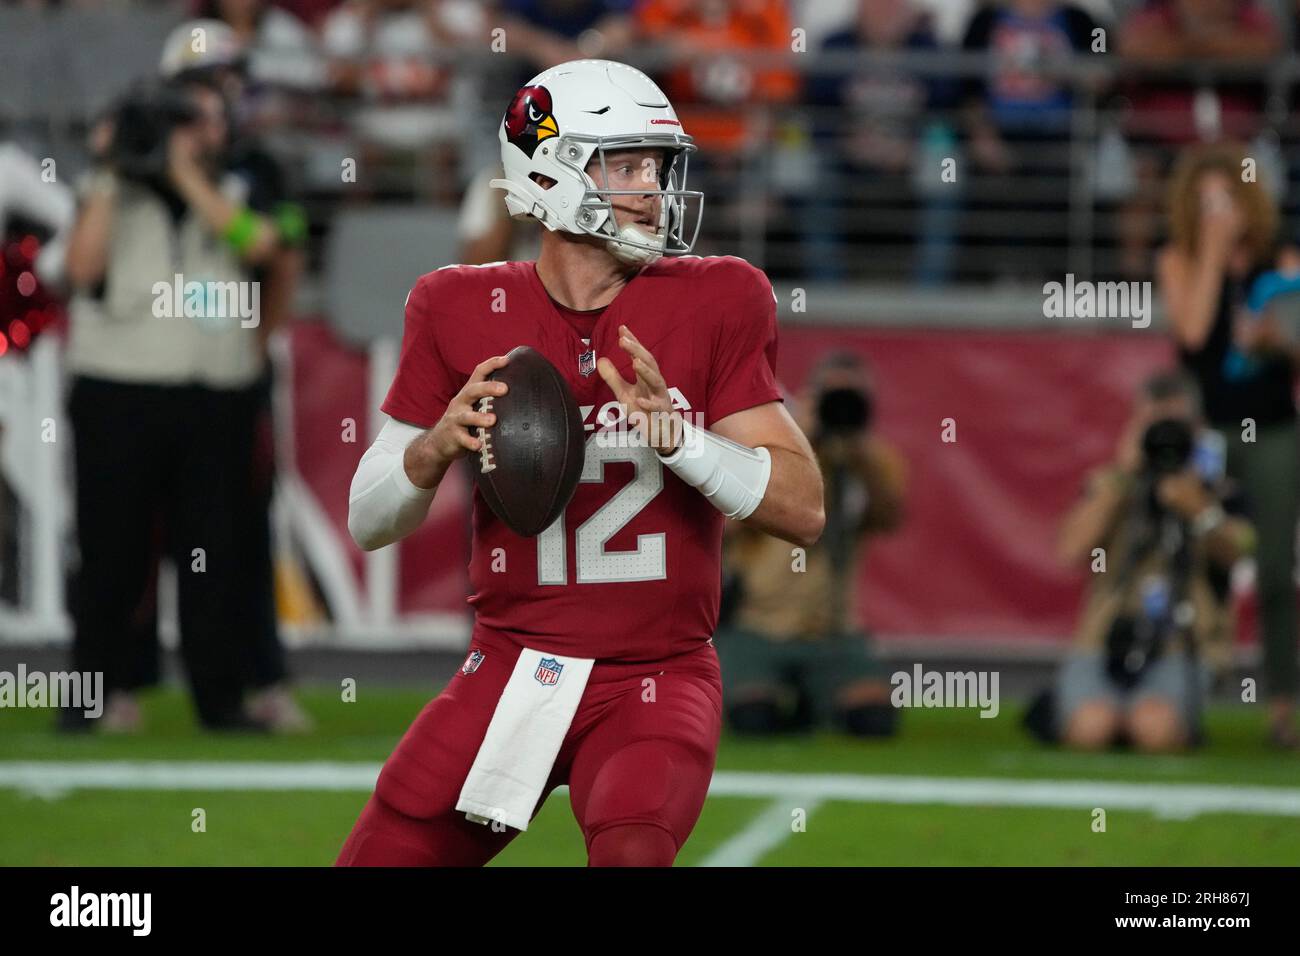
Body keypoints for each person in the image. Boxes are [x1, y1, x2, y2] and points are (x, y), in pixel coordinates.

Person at [337, 59, 824, 866]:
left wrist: (683, 440)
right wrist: (430, 451)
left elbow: (804, 508)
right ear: (549, 169)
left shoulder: (717, 296)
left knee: (633, 852)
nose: (652, 191)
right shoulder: (456, 304)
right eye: (626, 165)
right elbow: (367, 520)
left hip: (655, 676)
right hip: (507, 664)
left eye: (657, 169)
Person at [61, 22, 291, 732]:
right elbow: (80, 270)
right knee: (110, 552)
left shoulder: (248, 173)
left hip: (213, 391)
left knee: (214, 556)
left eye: (207, 109)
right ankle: (96, 698)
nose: (195, 121)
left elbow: (261, 242)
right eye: (181, 107)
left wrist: (187, 171)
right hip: (117, 386)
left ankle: (220, 702)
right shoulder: (111, 179)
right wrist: (113, 168)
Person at [1156, 143, 1300, 748]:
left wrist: (1275, 340)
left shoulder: (1282, 258)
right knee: (1192, 559)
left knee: (1271, 570)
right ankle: (1180, 695)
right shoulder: (1180, 260)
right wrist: (1214, 254)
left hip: (1272, 429)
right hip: (1211, 433)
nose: (1217, 211)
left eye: (1227, 198)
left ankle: (1283, 705)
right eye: (1206, 200)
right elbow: (1190, 334)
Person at [1054, 370, 1254, 751]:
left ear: (1198, 428)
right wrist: (1123, 479)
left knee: (1154, 728)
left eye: (1174, 425)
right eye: (1152, 424)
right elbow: (1070, 551)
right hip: (1104, 638)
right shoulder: (1109, 485)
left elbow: (1238, 552)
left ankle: (1149, 716)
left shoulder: (1219, 491)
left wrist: (1199, 508)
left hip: (1181, 642)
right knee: (1090, 729)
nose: (1164, 436)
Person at [719, 351, 906, 737]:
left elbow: (890, 516)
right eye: (833, 399)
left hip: (833, 632)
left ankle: (815, 696)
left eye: (851, 399)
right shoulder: (768, 450)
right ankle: (795, 698)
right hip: (760, 626)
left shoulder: (873, 463)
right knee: (756, 721)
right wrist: (796, 436)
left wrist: (857, 454)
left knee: (874, 723)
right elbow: (727, 524)